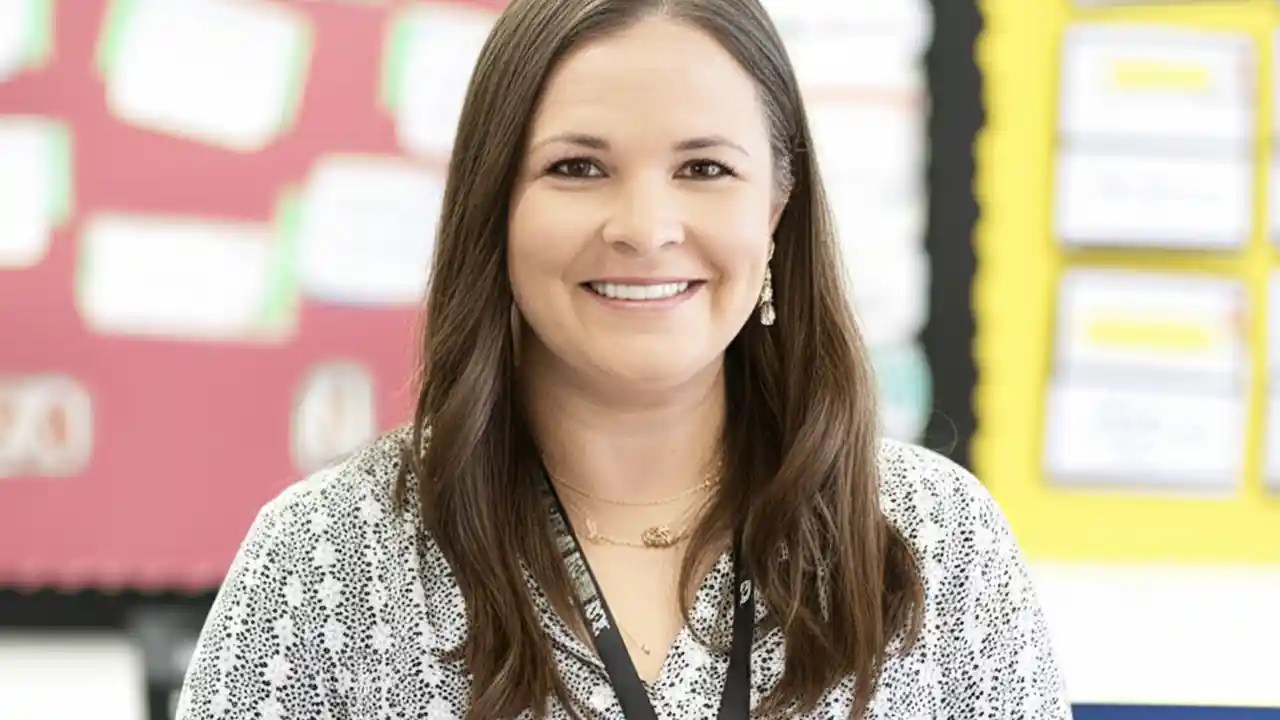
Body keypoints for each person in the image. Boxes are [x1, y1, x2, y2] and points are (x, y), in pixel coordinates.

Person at [176, 0, 1071, 718]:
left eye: (705, 170)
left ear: (778, 208)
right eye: (577, 168)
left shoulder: (933, 543)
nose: (644, 229)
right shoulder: (330, 557)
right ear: (496, 205)